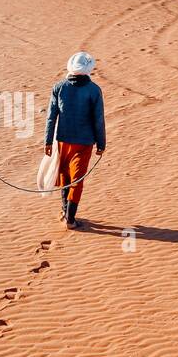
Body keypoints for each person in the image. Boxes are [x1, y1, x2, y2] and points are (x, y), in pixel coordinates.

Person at [44, 51, 106, 229]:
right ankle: (70, 219)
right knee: (77, 180)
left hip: (63, 141)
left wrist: (48, 141)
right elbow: (98, 120)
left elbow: (51, 117)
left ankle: (65, 212)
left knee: (66, 176)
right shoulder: (94, 90)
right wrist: (101, 143)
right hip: (84, 143)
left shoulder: (59, 87)